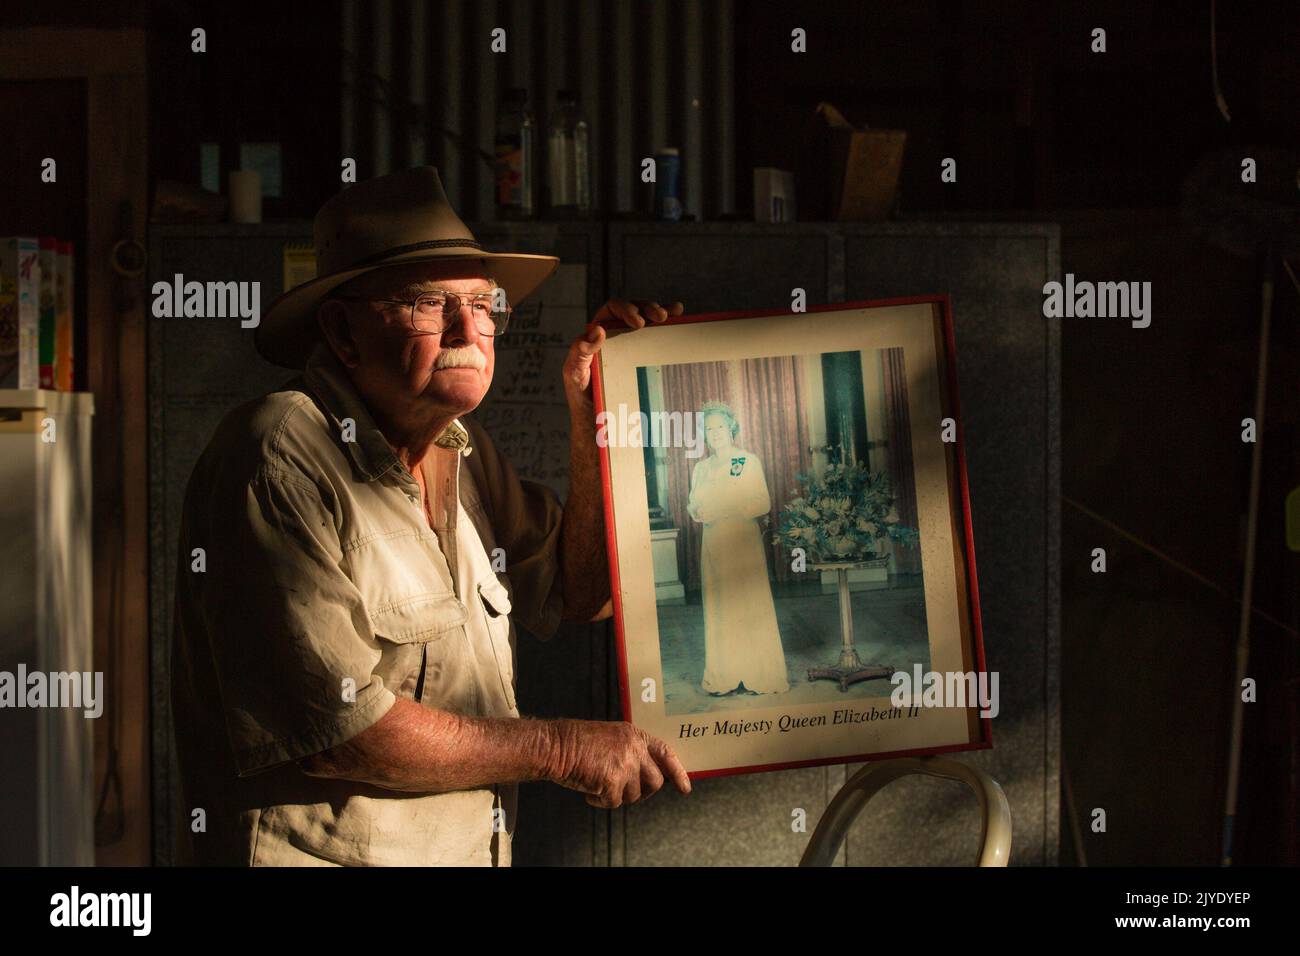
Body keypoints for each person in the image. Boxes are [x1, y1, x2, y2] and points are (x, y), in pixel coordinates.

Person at [169, 166, 690, 867]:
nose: (467, 329)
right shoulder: (277, 455)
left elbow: (582, 591)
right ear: (342, 330)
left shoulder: (460, 453)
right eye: (427, 303)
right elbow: (340, 732)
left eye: (483, 304)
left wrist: (591, 408)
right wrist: (562, 748)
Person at [686, 402, 790, 696]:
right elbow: (694, 502)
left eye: (720, 426)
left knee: (747, 605)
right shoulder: (701, 468)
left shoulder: (745, 461)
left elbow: (761, 502)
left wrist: (725, 510)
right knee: (720, 606)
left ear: (731, 428)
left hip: (741, 541)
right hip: (713, 543)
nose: (715, 433)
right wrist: (696, 511)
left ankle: (760, 674)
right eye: (709, 428)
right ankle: (725, 677)